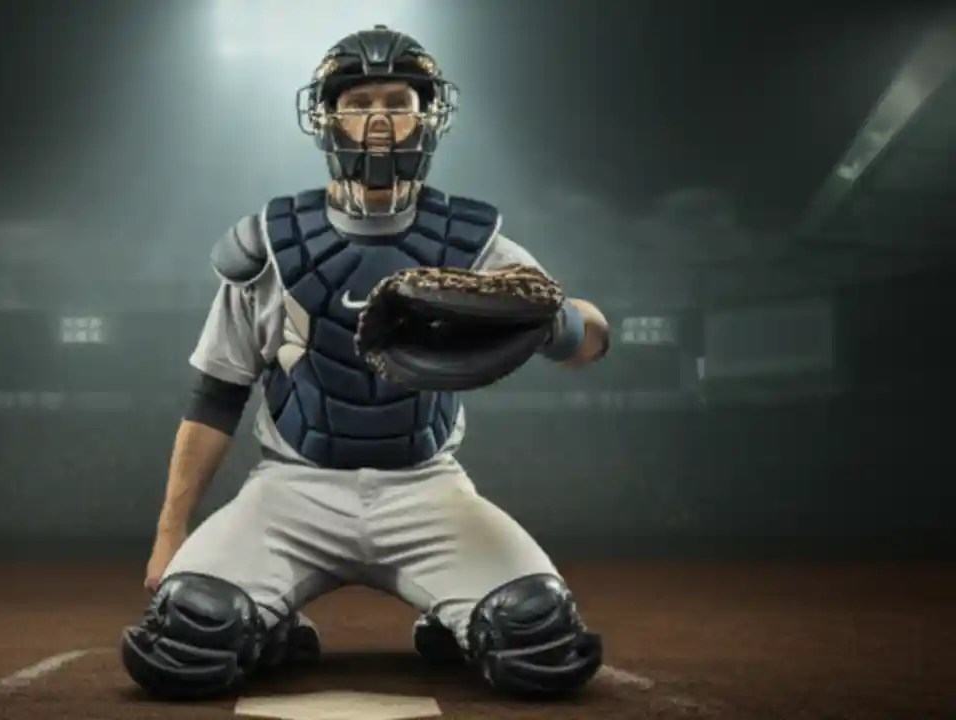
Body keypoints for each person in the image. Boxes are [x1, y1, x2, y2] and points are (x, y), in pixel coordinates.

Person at [120, 24, 610, 701]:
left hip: (427, 490)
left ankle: (457, 620)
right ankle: (273, 628)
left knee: (541, 641)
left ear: (427, 115)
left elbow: (592, 342)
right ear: (327, 118)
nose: (379, 118)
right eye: (358, 102)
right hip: (293, 491)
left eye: (398, 100)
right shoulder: (270, 243)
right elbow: (215, 394)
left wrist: (557, 322)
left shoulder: (472, 242)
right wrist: (169, 531)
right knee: (186, 639)